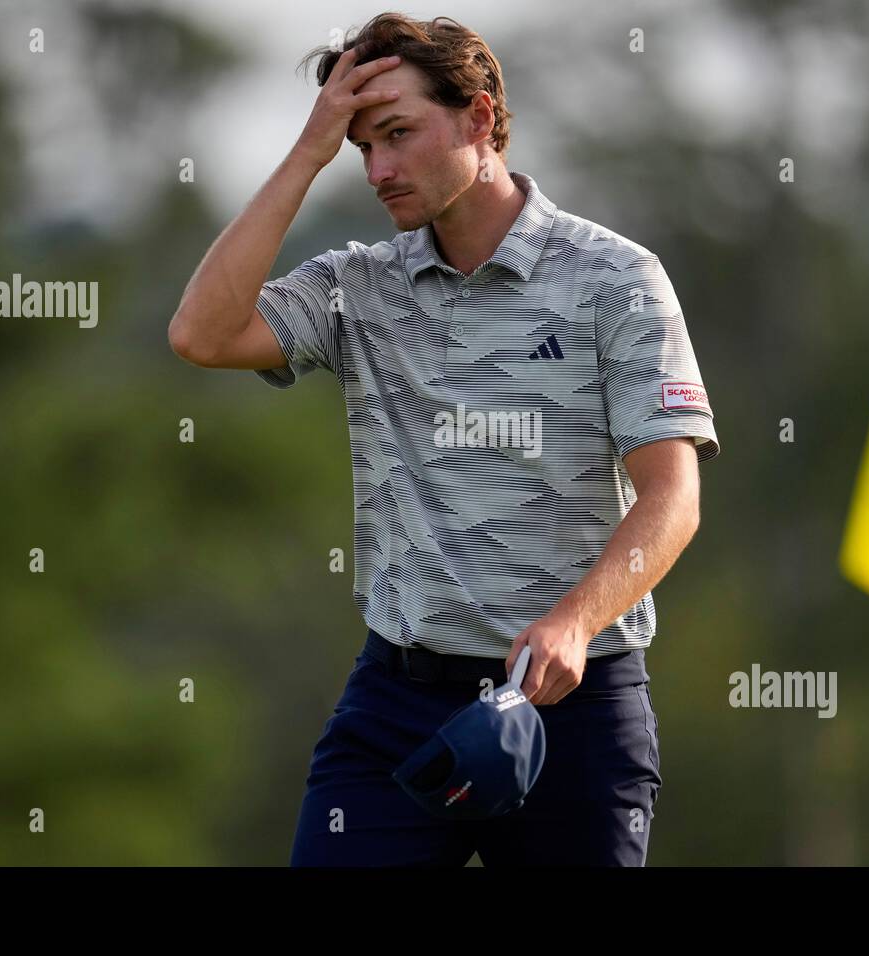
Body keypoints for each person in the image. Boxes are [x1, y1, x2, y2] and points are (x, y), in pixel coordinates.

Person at [168, 12, 720, 866]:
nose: (379, 170)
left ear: (480, 118)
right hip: (395, 706)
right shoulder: (356, 284)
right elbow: (201, 333)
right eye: (360, 149)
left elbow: (672, 498)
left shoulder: (615, 278)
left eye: (397, 135)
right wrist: (307, 153)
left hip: (573, 709)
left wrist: (573, 622)